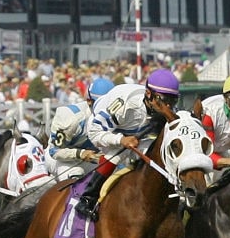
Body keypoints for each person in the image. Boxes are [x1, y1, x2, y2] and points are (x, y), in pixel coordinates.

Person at [74, 68, 181, 222]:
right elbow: (95, 132)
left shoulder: (166, 108)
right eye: (163, 100)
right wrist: (121, 140)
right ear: (149, 94)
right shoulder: (125, 104)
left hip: (139, 131)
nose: (168, 107)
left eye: (172, 101)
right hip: (106, 127)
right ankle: (87, 198)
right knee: (120, 151)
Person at [45, 76, 114, 182]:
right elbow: (54, 151)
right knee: (76, 174)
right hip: (61, 159)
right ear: (89, 102)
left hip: (92, 160)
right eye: (102, 105)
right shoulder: (71, 117)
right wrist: (80, 154)